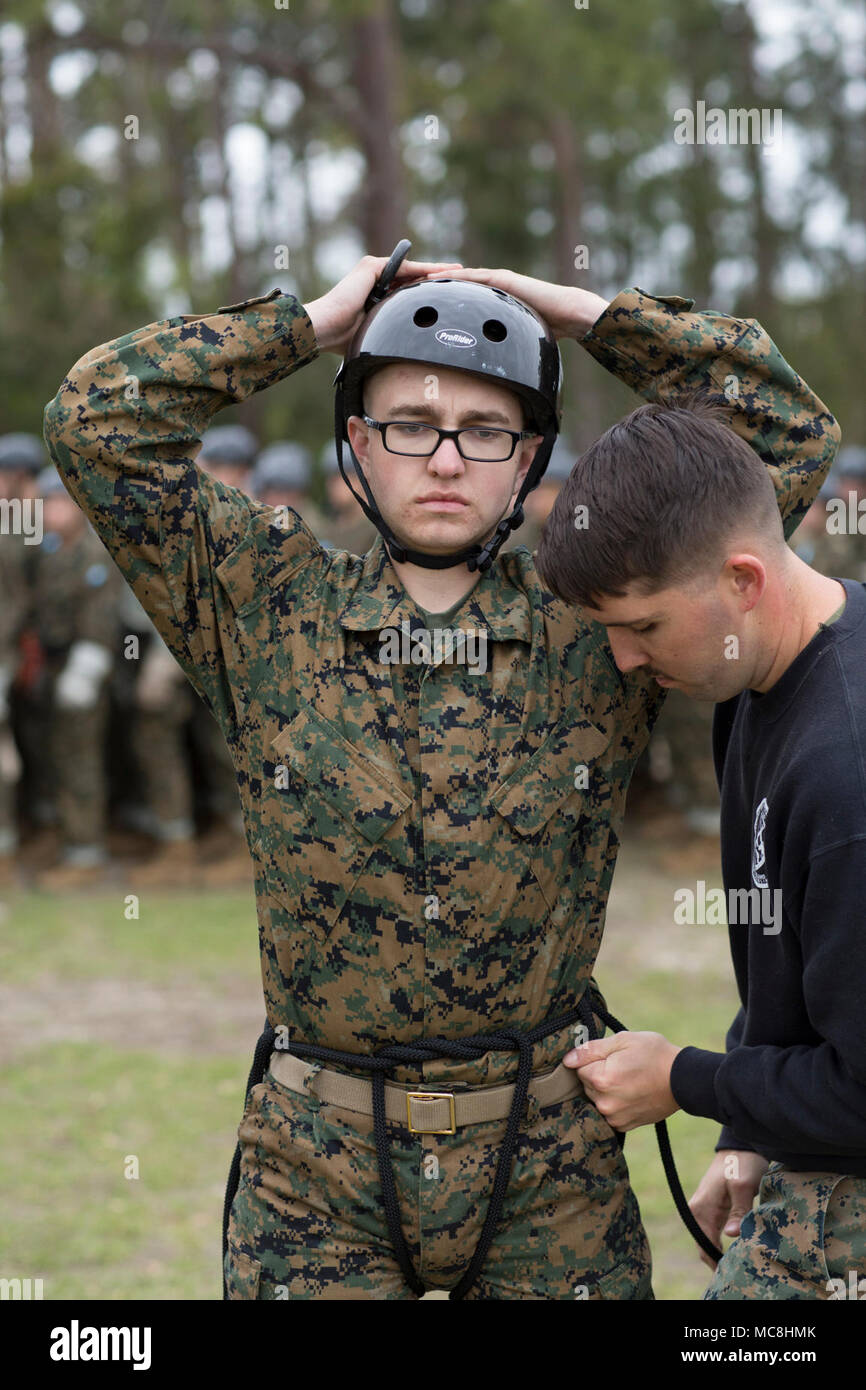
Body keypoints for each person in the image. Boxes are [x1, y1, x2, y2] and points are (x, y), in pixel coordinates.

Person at [43, 254, 836, 1301]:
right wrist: (308, 324)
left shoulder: (596, 615)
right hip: (316, 1171)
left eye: (487, 428)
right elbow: (95, 424)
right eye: (409, 423)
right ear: (356, 445)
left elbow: (784, 432)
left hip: (545, 1155)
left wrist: (585, 316)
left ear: (531, 455)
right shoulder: (259, 598)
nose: (448, 458)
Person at [534, 394, 864, 1300]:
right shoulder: (758, 683)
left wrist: (688, 1080)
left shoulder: (846, 777)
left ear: (743, 580)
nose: (624, 660)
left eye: (641, 626)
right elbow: (792, 979)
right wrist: (751, 1132)